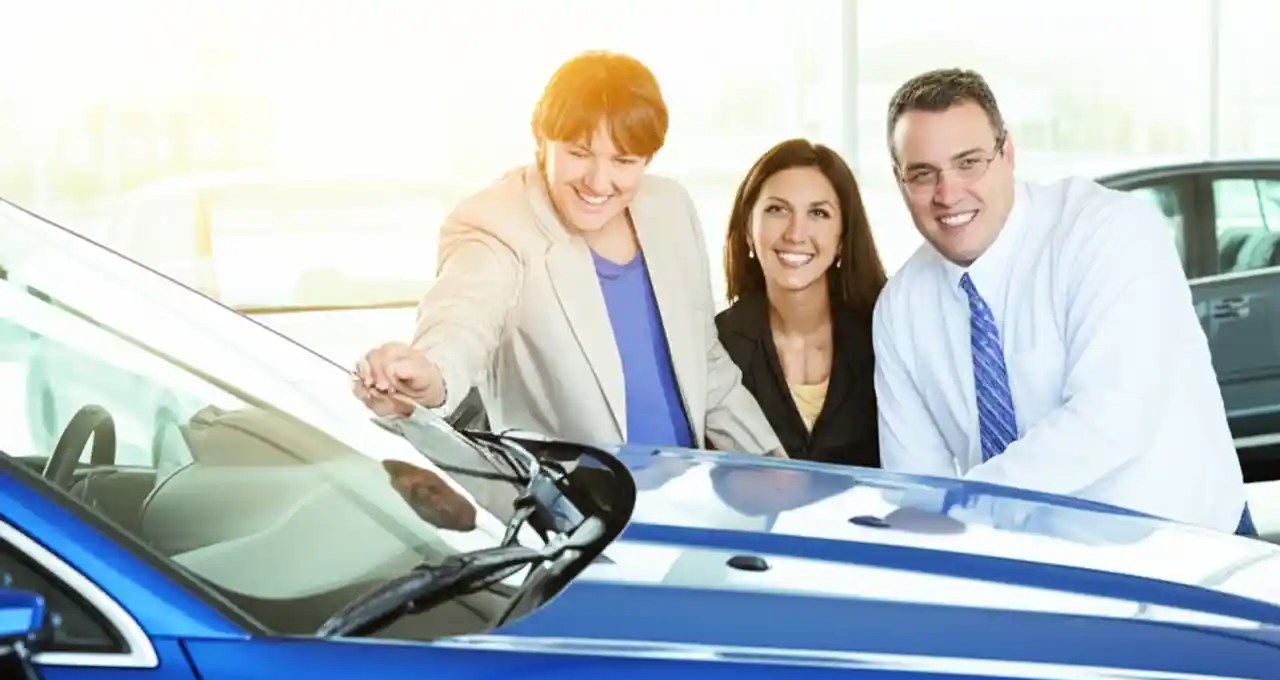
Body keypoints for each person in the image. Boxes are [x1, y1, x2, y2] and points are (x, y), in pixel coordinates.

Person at [871, 68, 1251, 535]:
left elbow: (1111, 421)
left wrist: (964, 504)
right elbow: (917, 489)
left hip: (1188, 555)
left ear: (1007, 154)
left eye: (969, 162)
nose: (948, 194)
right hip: (1034, 573)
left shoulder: (1108, 231)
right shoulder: (899, 309)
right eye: (923, 174)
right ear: (898, 180)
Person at [354, 51, 782, 457]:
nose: (599, 181)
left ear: (648, 159)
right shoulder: (495, 221)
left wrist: (776, 466)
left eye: (624, 160)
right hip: (573, 514)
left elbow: (705, 363)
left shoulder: (669, 208)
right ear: (543, 141)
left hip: (684, 499)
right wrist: (431, 376)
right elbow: (462, 318)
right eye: (579, 154)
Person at [716, 139, 886, 466]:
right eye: (777, 209)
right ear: (749, 229)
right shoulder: (717, 346)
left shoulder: (883, 335)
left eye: (819, 213)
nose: (796, 233)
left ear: (842, 238)